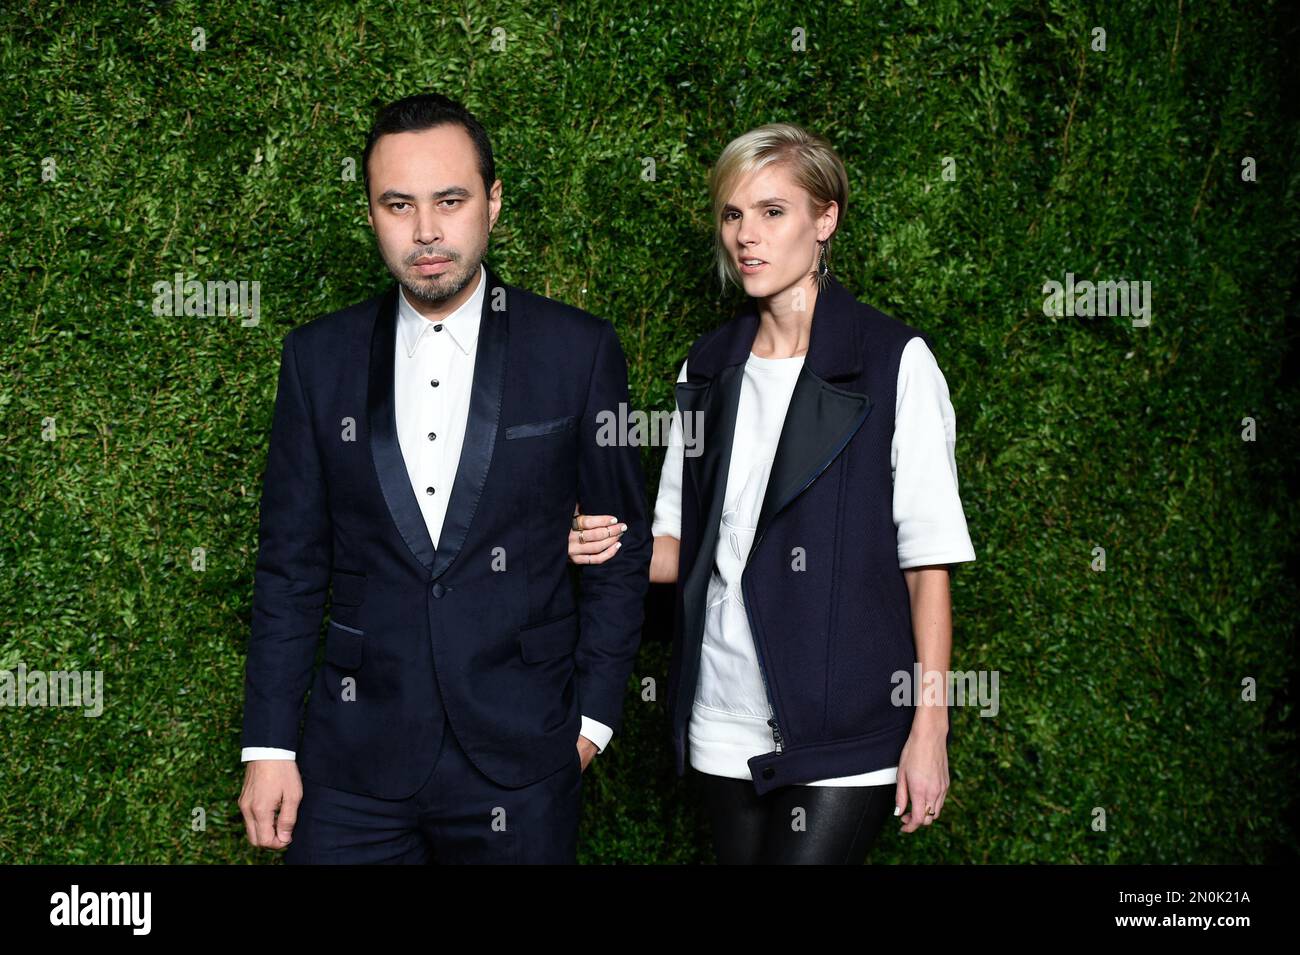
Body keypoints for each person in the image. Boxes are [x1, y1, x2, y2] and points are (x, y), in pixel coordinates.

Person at [237, 93, 651, 863]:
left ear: (492, 202)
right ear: (370, 213)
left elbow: (624, 546)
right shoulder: (316, 360)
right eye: (399, 204)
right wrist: (268, 743)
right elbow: (290, 566)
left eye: (449, 200)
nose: (426, 231)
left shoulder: (579, 352)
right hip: (351, 764)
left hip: (523, 760)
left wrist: (590, 725)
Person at [568, 123, 976, 864]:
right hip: (720, 718)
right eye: (732, 214)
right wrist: (588, 541)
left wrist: (931, 725)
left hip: (845, 728)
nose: (745, 236)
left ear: (826, 220)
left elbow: (928, 565)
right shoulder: (708, 366)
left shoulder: (894, 362)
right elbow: (677, 546)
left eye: (771, 211)